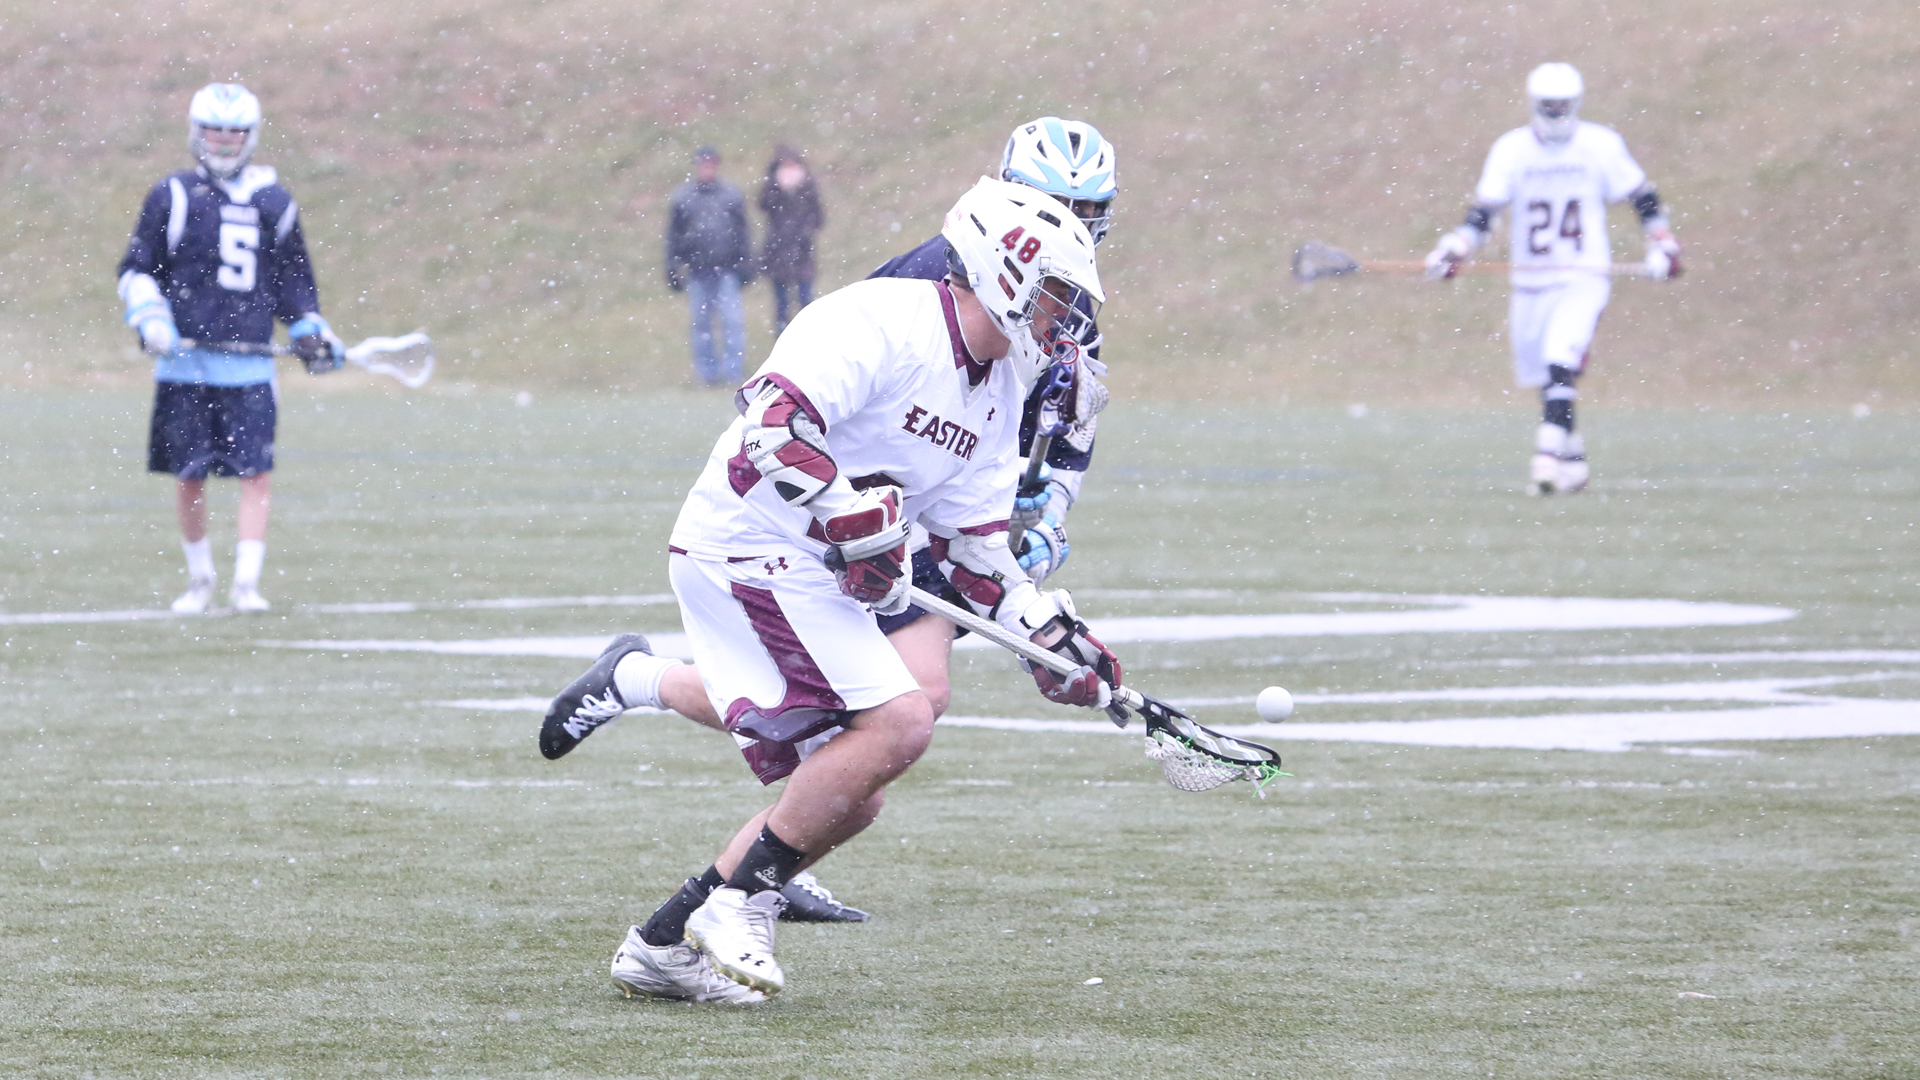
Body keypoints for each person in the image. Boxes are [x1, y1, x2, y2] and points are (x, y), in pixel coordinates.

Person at [540, 117, 1124, 925]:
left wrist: (1043, 546)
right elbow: (818, 414)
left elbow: (1063, 427)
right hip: (843, 523)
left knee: (868, 745)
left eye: (1084, 212)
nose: (1067, 232)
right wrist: (858, 511)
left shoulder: (1059, 301)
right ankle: (744, 885)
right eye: (1049, 205)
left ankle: (697, 772)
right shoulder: (934, 288)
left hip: (938, 514)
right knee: (891, 720)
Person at [117, 83, 343, 615]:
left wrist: (310, 330)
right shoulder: (171, 195)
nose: (223, 143)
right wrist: (151, 316)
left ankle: (246, 584)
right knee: (190, 474)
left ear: (251, 136)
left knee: (254, 474)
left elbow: (294, 282)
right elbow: (137, 268)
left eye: (234, 133)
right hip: (185, 363)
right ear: (197, 134)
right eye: (214, 132)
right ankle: (200, 580)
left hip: (248, 366)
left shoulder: (273, 201)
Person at [1424, 63, 1682, 495]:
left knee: (1560, 361)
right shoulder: (1511, 150)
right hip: (1530, 281)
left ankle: (1544, 464)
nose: (1557, 112)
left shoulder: (1600, 145)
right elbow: (1485, 214)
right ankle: (1574, 467)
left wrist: (1663, 244)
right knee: (1545, 377)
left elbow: (1642, 197)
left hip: (1583, 275)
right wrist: (1456, 249)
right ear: (1535, 105)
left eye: (1564, 105)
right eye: (1550, 105)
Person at [665, 146, 753, 387]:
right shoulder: (684, 198)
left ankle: (734, 372)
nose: (707, 168)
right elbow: (673, 236)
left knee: (732, 323)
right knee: (701, 325)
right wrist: (672, 267)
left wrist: (746, 263)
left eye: (710, 164)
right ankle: (708, 374)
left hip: (726, 270)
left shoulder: (731, 196)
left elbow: (742, 232)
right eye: (703, 164)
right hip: (697, 271)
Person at [758, 144, 824, 335]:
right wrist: (775, 184)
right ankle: (782, 344)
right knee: (781, 306)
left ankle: (809, 341)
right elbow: (763, 205)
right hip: (777, 253)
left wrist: (805, 233)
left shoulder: (807, 187)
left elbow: (818, 217)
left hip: (802, 253)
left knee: (806, 303)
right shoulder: (773, 187)